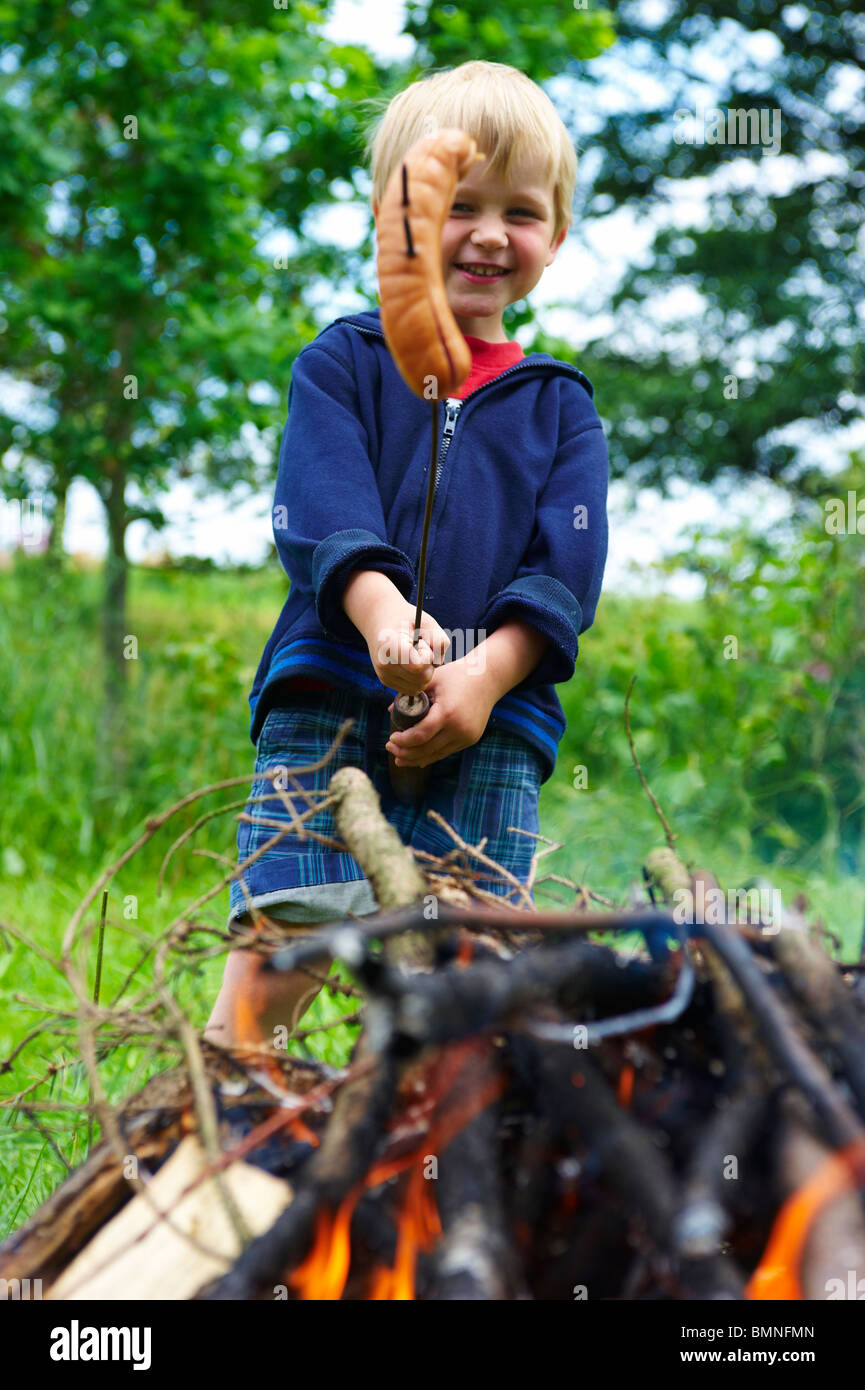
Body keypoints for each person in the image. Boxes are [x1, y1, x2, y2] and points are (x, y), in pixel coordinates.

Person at [204, 59, 609, 1049]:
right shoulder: (339, 363)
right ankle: (214, 1128)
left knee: (472, 970)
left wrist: (485, 673)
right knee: (278, 948)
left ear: (554, 235)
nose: (484, 233)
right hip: (327, 710)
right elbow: (319, 508)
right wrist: (383, 619)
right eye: (457, 203)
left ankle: (428, 1168)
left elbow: (564, 570)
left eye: (518, 212)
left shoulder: (561, 406)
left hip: (492, 726)